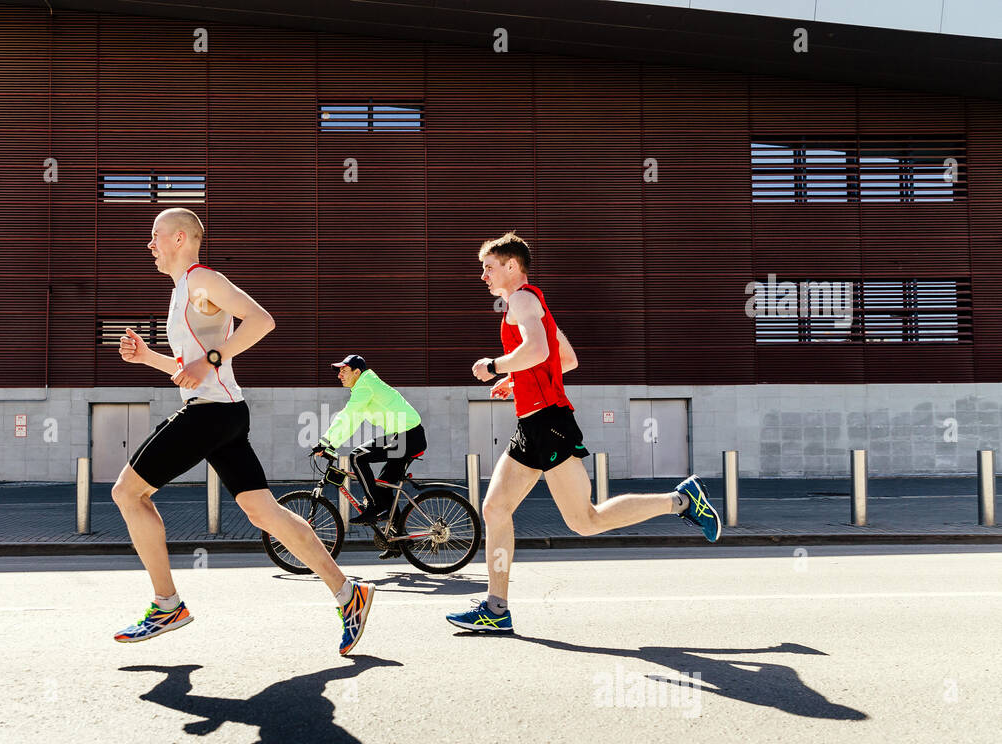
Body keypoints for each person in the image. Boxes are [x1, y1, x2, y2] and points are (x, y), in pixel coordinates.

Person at [111, 207, 374, 656]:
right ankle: (350, 594)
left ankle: (167, 604)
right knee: (264, 513)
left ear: (179, 238)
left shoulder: (201, 279)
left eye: (154, 237)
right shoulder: (182, 292)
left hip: (211, 414)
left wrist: (211, 359)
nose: (149, 245)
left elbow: (261, 321)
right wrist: (148, 359)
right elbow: (190, 368)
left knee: (127, 493)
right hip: (223, 413)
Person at [446, 232, 722, 634]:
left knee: (585, 521)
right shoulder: (535, 303)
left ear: (511, 266)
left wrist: (495, 365)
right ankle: (496, 606)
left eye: (488, 267)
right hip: (533, 421)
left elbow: (539, 352)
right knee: (495, 509)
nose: (483, 275)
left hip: (548, 423)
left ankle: (680, 500)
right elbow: (566, 360)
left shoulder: (522, 299)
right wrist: (517, 381)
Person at [313, 355, 426, 559]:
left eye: (343, 371)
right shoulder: (364, 388)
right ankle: (397, 541)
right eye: (338, 371)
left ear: (357, 372)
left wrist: (325, 441)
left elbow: (348, 415)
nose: (339, 375)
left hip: (407, 436)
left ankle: (374, 507)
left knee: (357, 457)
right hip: (404, 435)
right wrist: (331, 443)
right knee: (383, 486)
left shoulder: (366, 384)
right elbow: (351, 421)